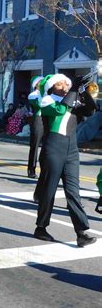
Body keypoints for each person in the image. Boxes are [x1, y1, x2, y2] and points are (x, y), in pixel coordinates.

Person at [34, 74, 97, 247]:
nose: (64, 86)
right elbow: (61, 110)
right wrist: (74, 90)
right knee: (49, 190)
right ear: (51, 87)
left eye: (66, 83)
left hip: (72, 150)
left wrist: (83, 91)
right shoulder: (46, 101)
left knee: (73, 192)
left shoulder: (72, 99)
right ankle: (41, 227)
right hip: (53, 148)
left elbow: (91, 110)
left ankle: (81, 232)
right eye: (59, 84)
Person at [27, 76, 44, 178]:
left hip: (47, 120)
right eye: (41, 82)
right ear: (36, 84)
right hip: (38, 120)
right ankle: (31, 170)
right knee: (35, 146)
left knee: (47, 146)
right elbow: (39, 104)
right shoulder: (32, 95)